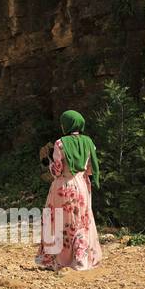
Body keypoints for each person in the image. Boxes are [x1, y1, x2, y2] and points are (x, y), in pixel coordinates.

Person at [35, 109, 103, 271]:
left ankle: (55, 259)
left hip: (63, 186)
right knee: (81, 221)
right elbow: (91, 170)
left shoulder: (60, 143)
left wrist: (48, 161)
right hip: (82, 186)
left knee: (57, 222)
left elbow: (57, 171)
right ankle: (80, 258)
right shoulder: (89, 142)